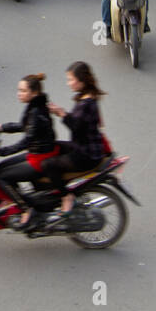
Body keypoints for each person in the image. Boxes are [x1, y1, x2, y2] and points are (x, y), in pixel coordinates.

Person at [0, 73, 58, 227]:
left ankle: (25, 209)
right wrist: (2, 127)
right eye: (19, 90)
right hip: (38, 152)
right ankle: (16, 199)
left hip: (40, 159)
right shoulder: (36, 106)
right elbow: (24, 126)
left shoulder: (36, 112)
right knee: (0, 167)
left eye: (23, 91)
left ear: (34, 93)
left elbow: (25, 141)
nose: (19, 93)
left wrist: (0, 151)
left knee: (1, 177)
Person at [41, 62, 109, 217]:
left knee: (48, 164)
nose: (68, 83)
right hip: (85, 146)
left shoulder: (86, 103)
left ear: (81, 80)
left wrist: (61, 113)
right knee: (52, 146)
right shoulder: (87, 98)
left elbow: (76, 127)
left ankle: (66, 196)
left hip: (86, 154)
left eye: (71, 79)